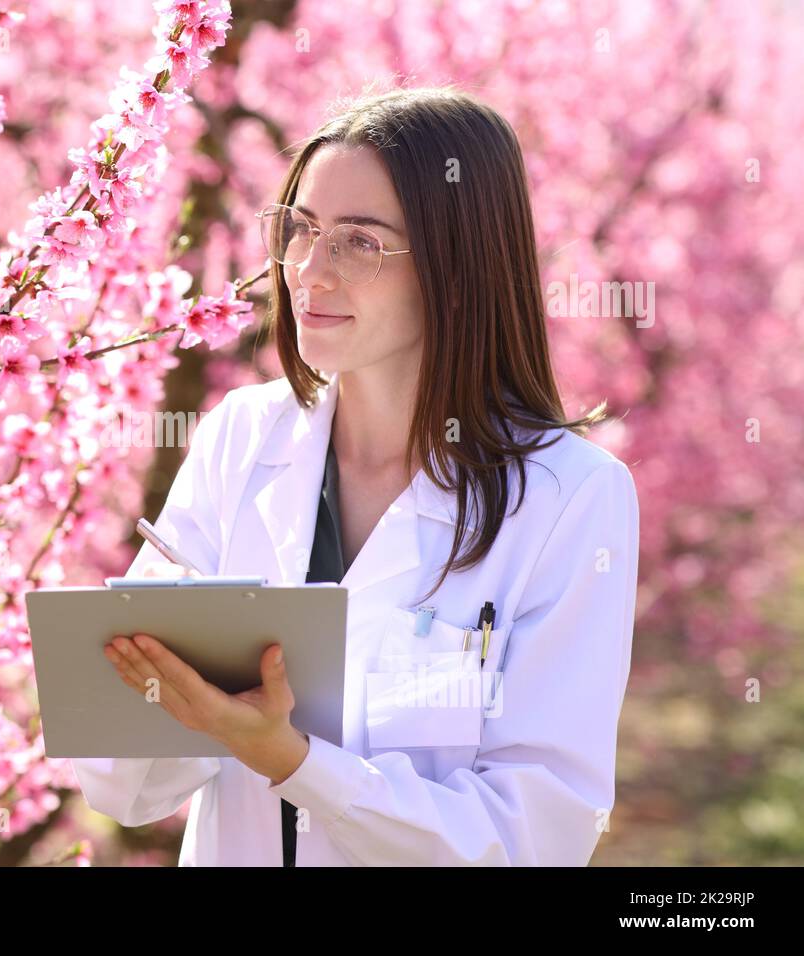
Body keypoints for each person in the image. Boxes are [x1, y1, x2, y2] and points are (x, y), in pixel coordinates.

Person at [70, 87, 640, 866]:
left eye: (359, 242)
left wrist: (296, 763)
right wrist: (144, 693)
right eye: (299, 230)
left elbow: (536, 835)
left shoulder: (570, 499)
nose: (308, 270)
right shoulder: (241, 437)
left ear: (457, 263)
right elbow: (120, 788)